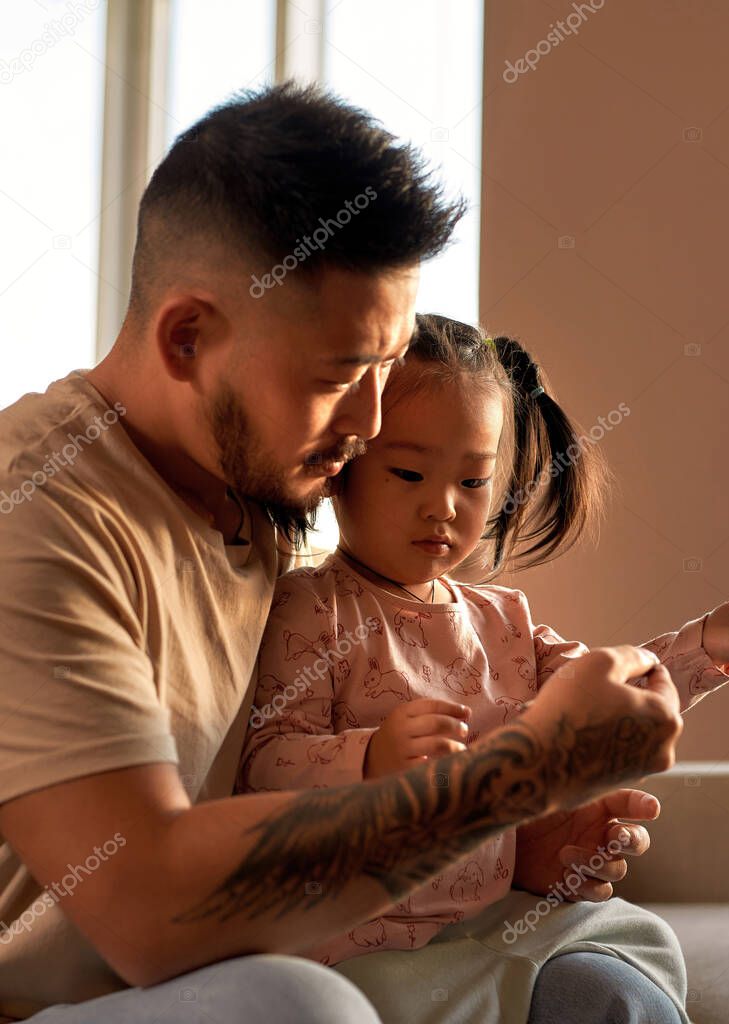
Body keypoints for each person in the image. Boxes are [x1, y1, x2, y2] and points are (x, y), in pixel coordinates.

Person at [0, 84, 685, 1024]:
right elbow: (146, 902)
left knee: (603, 958)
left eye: (383, 367)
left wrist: (522, 834)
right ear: (187, 336)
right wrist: (520, 773)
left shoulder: (249, 488)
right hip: (56, 996)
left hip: (186, 972)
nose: (367, 425)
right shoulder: (37, 515)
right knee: (292, 1008)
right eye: (337, 377)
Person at [237, 313, 729, 1023]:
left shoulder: (502, 622)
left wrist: (706, 646)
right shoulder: (313, 608)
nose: (443, 506)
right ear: (343, 468)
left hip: (497, 916)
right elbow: (264, 762)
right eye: (407, 472)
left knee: (621, 988)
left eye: (474, 481)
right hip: (362, 947)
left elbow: (610, 696)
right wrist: (369, 759)